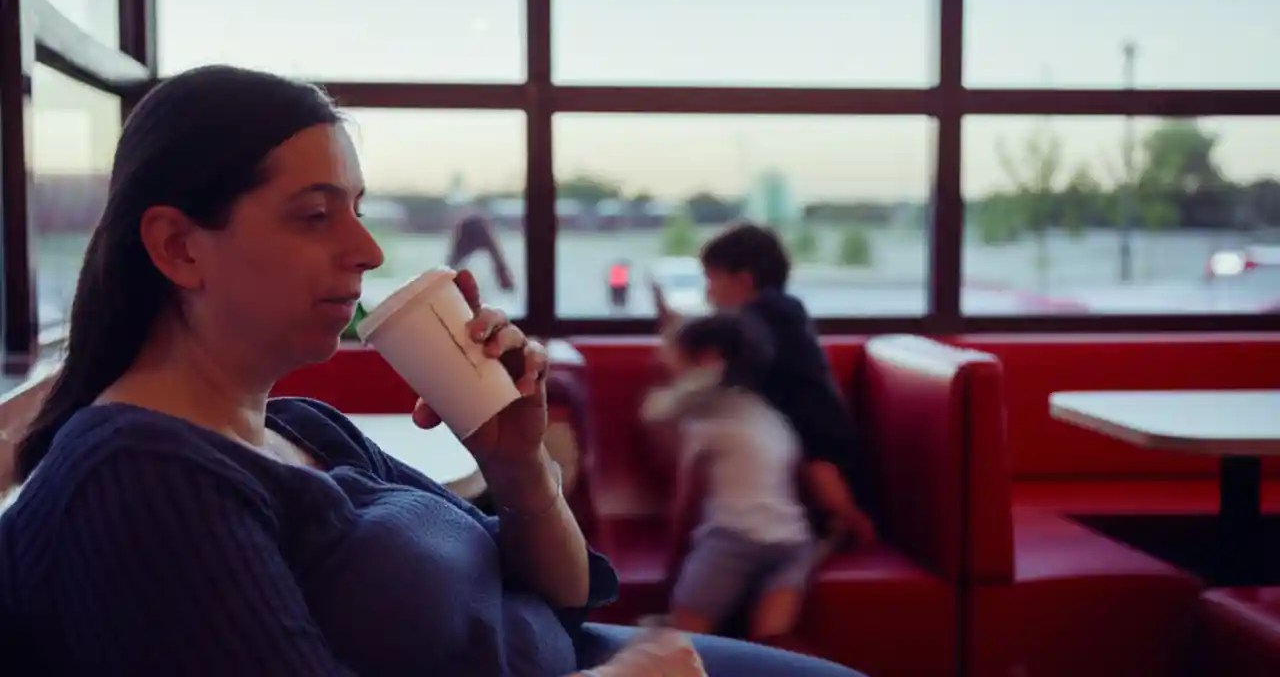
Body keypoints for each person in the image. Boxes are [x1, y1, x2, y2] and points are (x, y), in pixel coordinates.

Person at [0, 66, 861, 677]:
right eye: (315, 216)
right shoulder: (142, 476)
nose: (367, 250)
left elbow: (560, 600)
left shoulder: (301, 426)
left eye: (360, 211)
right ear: (179, 247)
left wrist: (515, 463)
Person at [654, 223, 877, 548]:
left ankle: (853, 523)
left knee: (822, 474)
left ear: (743, 281)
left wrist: (678, 329)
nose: (708, 293)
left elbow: (718, 337)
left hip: (817, 436)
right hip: (802, 433)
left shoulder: (765, 315)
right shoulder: (781, 312)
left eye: (712, 280)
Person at [641, 314, 816, 646]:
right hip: (793, 542)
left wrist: (675, 564)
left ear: (707, 360)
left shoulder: (707, 420)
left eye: (676, 354)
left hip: (733, 540)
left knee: (683, 640)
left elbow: (686, 498)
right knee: (771, 642)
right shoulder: (770, 416)